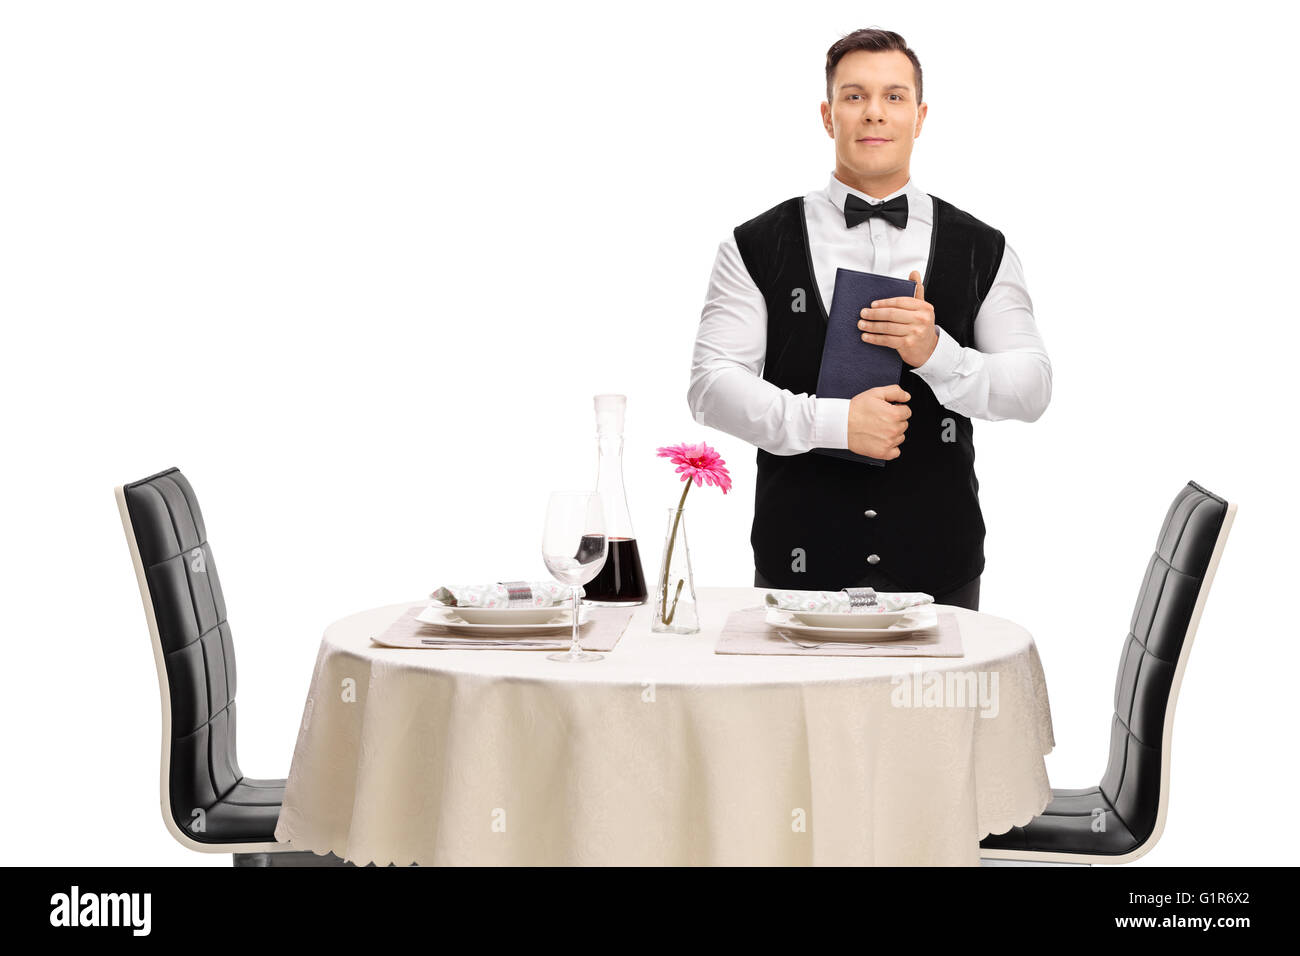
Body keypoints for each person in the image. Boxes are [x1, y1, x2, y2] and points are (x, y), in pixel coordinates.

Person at [687, 28, 1051, 610]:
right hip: (797, 566)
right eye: (854, 96)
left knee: (936, 706)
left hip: (942, 569)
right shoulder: (752, 245)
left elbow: (1031, 389)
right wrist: (830, 424)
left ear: (920, 115)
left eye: (894, 96)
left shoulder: (986, 247)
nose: (874, 113)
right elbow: (710, 387)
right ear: (828, 116)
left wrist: (937, 353)